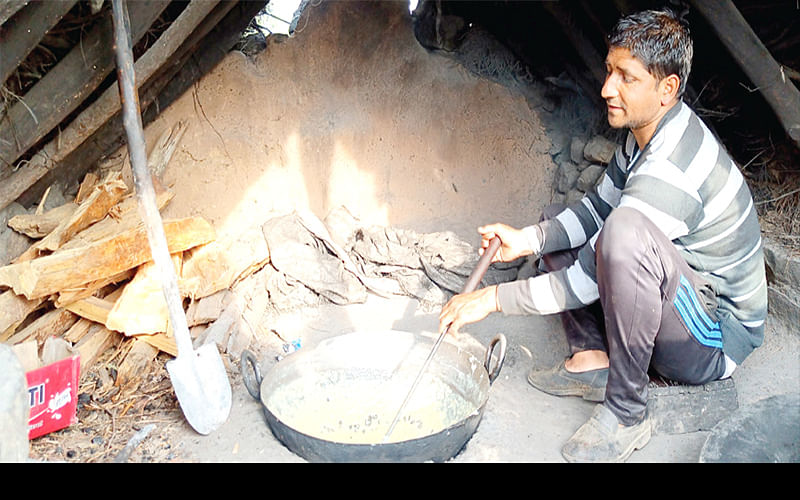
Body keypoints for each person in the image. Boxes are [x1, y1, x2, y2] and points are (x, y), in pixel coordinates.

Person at [438, 8, 767, 463]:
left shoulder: (672, 167)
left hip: (714, 337)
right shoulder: (645, 134)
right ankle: (592, 359)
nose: (606, 88)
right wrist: (527, 240)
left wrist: (490, 301)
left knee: (623, 236)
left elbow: (588, 277)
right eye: (610, 70)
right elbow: (594, 210)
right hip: (684, 295)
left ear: (667, 89)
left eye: (626, 78)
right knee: (559, 222)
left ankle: (627, 412)